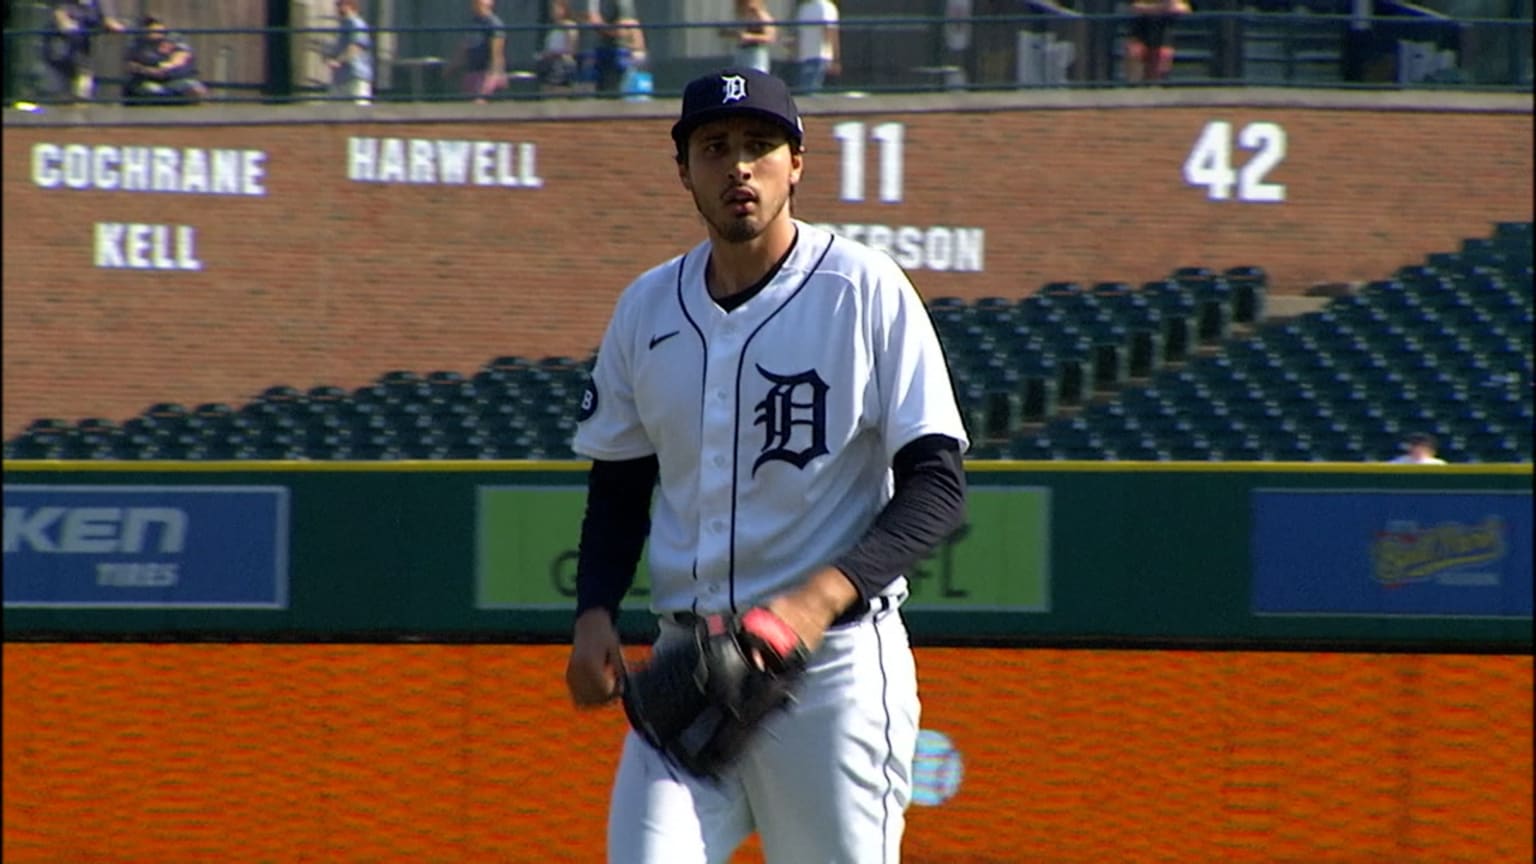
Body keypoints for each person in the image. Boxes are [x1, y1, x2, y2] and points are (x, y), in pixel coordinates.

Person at [565, 67, 970, 863]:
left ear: (797, 163)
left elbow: (937, 485)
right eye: (715, 148)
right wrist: (593, 611)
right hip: (687, 669)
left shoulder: (864, 290)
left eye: (760, 145)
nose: (739, 166)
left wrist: (818, 598)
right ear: (684, 170)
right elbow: (618, 487)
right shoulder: (646, 308)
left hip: (833, 674)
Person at [39, 0, 125, 102]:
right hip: (59, 55)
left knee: (83, 91)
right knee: (58, 93)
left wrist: (110, 23)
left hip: (81, 56)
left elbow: (106, 22)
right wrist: (64, 20)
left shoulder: (93, 6)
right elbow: (62, 21)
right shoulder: (62, 6)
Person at [123, 15, 208, 105]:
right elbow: (131, 66)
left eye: (159, 30)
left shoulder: (173, 38)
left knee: (195, 89)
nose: (158, 34)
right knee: (151, 92)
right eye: (153, 31)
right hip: (149, 81)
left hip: (175, 79)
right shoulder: (137, 45)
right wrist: (150, 71)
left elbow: (182, 55)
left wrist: (170, 65)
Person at [451, 0, 507, 104]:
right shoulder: (472, 22)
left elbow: (497, 56)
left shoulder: (494, 24)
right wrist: (452, 66)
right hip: (473, 73)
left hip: (487, 74)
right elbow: (464, 47)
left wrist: (490, 83)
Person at [586, 0, 645, 94]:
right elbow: (595, 20)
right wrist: (614, 32)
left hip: (624, 51)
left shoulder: (626, 3)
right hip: (604, 50)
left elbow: (631, 23)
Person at [1124, 0, 1190, 84]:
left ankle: (1152, 90)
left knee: (1163, 57)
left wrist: (1152, 9)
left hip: (1163, 33)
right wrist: (1162, 8)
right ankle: (1133, 91)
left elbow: (1183, 9)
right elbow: (1135, 7)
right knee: (1134, 53)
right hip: (1139, 31)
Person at [325, 0, 373, 105]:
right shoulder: (343, 26)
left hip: (355, 75)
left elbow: (356, 47)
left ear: (350, 5)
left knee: (359, 111)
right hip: (340, 78)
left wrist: (338, 61)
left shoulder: (356, 24)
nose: (337, 9)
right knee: (334, 112)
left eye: (340, 4)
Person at [790, 0, 839, 94]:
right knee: (812, 94)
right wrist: (835, 58)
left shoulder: (804, 9)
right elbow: (830, 33)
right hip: (819, 56)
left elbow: (798, 35)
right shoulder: (827, 7)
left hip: (806, 57)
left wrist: (795, 53)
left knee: (806, 91)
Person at [535, 0, 581, 94]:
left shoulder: (570, 26)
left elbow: (571, 49)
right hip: (549, 62)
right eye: (552, 9)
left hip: (563, 62)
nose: (554, 11)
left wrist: (556, 54)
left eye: (556, 8)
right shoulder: (551, 28)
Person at [729, 0, 777, 74]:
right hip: (743, 52)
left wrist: (750, 37)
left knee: (756, 78)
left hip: (756, 54)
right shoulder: (745, 15)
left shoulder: (761, 15)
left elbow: (771, 37)